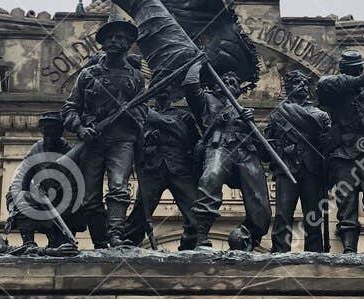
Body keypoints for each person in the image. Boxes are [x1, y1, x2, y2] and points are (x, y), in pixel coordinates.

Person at [64, 20, 146, 248]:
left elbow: (144, 110)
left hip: (123, 139)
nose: (114, 41)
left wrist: (130, 114)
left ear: (129, 44)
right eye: (109, 38)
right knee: (90, 196)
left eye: (120, 38)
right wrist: (80, 128)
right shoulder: (88, 75)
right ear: (102, 43)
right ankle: (100, 242)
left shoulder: (136, 77)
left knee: (119, 186)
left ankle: (116, 235)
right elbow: (70, 107)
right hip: (93, 141)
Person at [184, 61, 270, 250]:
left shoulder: (243, 111)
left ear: (239, 91)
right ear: (216, 85)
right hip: (220, 147)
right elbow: (190, 85)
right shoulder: (206, 100)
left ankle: (245, 239)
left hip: (246, 153)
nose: (230, 84)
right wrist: (198, 62)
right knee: (210, 179)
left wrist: (250, 122)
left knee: (261, 205)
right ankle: (200, 237)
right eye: (226, 81)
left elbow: (263, 149)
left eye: (234, 83)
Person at [316, 51, 364, 254]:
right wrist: (363, 79)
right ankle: (349, 249)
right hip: (343, 154)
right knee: (346, 203)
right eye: (349, 72)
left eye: (355, 71)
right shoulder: (334, 93)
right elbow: (325, 86)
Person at [266, 69, 332, 253]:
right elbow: (268, 145)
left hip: (311, 169)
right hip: (286, 168)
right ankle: (280, 251)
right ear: (289, 87)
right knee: (282, 214)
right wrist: (280, 150)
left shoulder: (320, 114)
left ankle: (315, 252)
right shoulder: (278, 113)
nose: (301, 86)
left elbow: (329, 144)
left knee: (313, 214)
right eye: (296, 83)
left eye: (304, 83)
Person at [126, 98, 202, 249]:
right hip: (152, 168)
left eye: (167, 92)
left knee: (196, 215)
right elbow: (131, 142)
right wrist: (147, 138)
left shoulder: (183, 115)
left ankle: (191, 244)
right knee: (140, 214)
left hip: (179, 168)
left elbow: (196, 142)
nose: (164, 95)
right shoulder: (142, 116)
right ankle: (128, 244)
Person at [5, 111, 82, 252]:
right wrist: (14, 202)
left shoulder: (68, 152)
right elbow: (21, 178)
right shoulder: (36, 150)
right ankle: (28, 243)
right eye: (46, 132)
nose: (49, 137)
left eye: (53, 132)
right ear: (42, 131)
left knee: (62, 247)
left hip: (63, 208)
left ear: (60, 132)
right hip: (41, 204)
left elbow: (76, 187)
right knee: (19, 197)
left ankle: (59, 241)